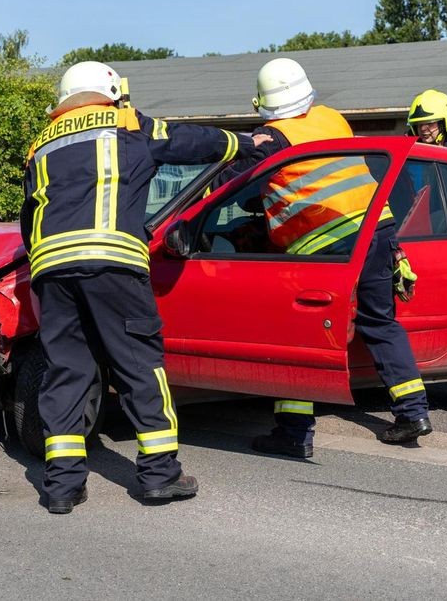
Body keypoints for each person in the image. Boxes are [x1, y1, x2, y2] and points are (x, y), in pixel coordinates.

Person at [20, 61, 264, 514]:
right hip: (113, 266)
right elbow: (191, 142)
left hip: (53, 271)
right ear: (112, 90)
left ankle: (62, 486)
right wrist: (246, 143)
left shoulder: (42, 144)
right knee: (138, 366)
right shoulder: (127, 123)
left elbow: (28, 217)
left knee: (67, 371)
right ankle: (158, 475)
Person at [242, 58, 431, 460]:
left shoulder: (272, 137)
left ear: (265, 102)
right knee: (380, 322)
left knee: (298, 338)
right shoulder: (332, 118)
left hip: (323, 246)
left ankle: (293, 433)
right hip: (376, 230)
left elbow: (236, 182)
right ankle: (413, 413)